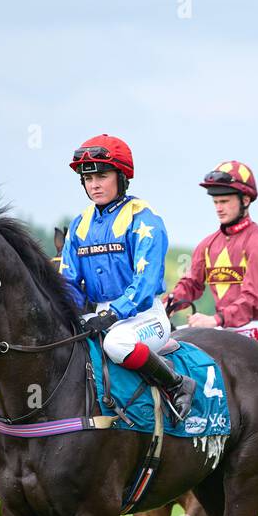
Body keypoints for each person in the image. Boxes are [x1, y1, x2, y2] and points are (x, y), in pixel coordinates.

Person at [59, 134, 195, 422]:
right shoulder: (79, 225)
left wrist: (112, 314)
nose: (94, 184)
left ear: (122, 176)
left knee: (116, 343)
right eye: (87, 178)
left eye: (102, 176)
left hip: (145, 317)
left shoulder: (144, 218)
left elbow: (145, 284)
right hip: (99, 315)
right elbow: (68, 283)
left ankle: (177, 383)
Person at [166, 161, 258, 344]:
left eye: (225, 201)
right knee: (165, 342)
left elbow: (254, 300)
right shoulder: (207, 244)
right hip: (223, 325)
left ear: (245, 200)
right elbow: (191, 284)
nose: (219, 208)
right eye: (216, 202)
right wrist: (167, 304)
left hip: (255, 326)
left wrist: (214, 320)